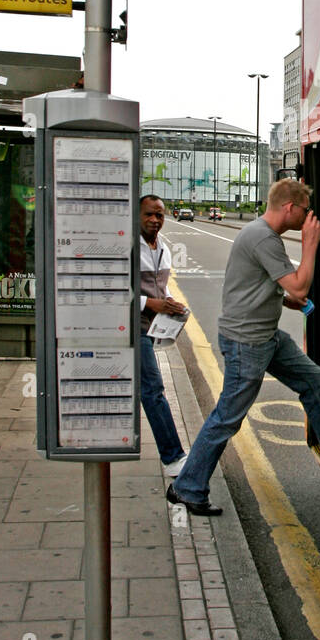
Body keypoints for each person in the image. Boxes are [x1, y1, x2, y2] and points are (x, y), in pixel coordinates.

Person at [168, 179, 320, 516]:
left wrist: (286, 300)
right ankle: (187, 487)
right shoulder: (263, 237)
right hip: (246, 343)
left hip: (265, 336)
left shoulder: (262, 235)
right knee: (227, 418)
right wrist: (310, 245)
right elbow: (299, 284)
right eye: (305, 210)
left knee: (315, 381)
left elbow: (267, 288)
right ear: (290, 208)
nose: (308, 217)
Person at [139, 195, 189, 477]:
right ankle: (173, 458)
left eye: (159, 215)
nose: (155, 220)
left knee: (148, 389)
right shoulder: (127, 247)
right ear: (137, 215)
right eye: (149, 214)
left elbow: (162, 286)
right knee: (153, 389)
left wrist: (171, 303)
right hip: (130, 327)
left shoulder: (164, 248)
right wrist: (150, 303)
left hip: (152, 326)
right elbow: (111, 293)